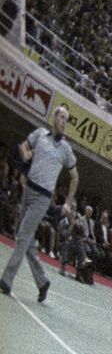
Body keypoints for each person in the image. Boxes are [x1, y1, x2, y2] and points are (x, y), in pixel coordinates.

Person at [2, 104, 79, 302]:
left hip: (43, 197)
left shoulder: (66, 149)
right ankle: (43, 281)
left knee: (22, 237)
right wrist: (26, 152)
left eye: (66, 119)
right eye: (62, 117)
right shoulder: (40, 134)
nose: (64, 122)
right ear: (54, 118)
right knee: (26, 240)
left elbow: (74, 177)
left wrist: (68, 203)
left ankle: (6, 280)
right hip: (28, 190)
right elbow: (24, 146)